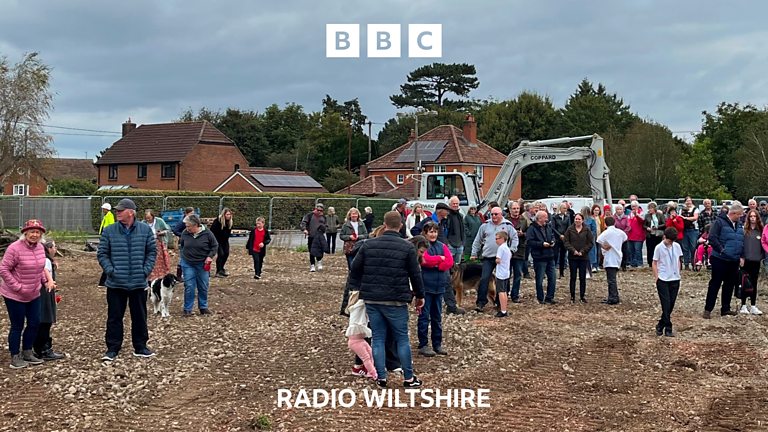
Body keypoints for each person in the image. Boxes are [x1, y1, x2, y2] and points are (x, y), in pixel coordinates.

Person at [350, 211, 425, 388]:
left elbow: (355, 268)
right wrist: (420, 296)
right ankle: (408, 377)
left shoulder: (369, 245)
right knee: (402, 339)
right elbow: (415, 275)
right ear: (400, 226)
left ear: (384, 224)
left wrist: (361, 286)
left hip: (373, 298)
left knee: (378, 337)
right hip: (396, 298)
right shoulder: (407, 247)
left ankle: (381, 377)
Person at [97, 199, 157, 361]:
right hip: (116, 283)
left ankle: (141, 346)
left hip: (138, 282)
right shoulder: (109, 231)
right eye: (117, 210)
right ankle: (112, 348)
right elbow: (102, 253)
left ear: (131, 212)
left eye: (120, 210)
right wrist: (110, 271)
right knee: (115, 316)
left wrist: (145, 271)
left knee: (140, 315)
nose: (117, 212)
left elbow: (152, 252)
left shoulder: (145, 230)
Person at [1, 220, 55, 368]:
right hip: (15, 295)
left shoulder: (39, 248)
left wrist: (45, 281)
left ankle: (27, 351)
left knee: (34, 323)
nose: (34, 235)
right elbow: (4, 269)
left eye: (38, 232)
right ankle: (15, 355)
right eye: (32, 231)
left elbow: (40, 268)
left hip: (33, 293)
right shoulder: (14, 249)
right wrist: (17, 287)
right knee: (17, 325)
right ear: (25, 233)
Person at [417, 221, 454, 356]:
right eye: (430, 231)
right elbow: (425, 260)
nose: (433, 234)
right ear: (425, 233)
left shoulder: (442, 246)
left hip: (439, 287)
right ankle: (423, 344)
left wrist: (437, 265)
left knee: (437, 317)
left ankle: (437, 344)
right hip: (426, 287)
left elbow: (449, 262)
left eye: (435, 231)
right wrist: (440, 259)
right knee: (424, 317)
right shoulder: (423, 246)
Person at [703, 202, 744, 319]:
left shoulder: (739, 225)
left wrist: (741, 255)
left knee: (729, 285)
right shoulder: (719, 222)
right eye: (739, 215)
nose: (740, 217)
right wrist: (721, 250)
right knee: (715, 284)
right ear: (733, 213)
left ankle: (725, 308)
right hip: (720, 259)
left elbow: (741, 240)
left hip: (734, 260)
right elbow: (712, 238)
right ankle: (708, 309)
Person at [471, 207, 517, 311]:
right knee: (484, 278)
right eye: (492, 214)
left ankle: (500, 302)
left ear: (501, 214)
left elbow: (514, 238)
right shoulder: (485, 225)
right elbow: (478, 240)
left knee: (503, 279)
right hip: (488, 256)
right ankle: (481, 302)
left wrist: (512, 250)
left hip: (503, 258)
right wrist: (474, 253)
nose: (494, 216)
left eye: (496, 214)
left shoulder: (507, 225)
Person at [179, 214, 218, 317]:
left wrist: (210, 256)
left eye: (188, 226)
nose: (186, 228)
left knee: (203, 285)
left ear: (196, 225)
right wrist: (182, 256)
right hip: (188, 263)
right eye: (186, 226)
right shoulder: (185, 233)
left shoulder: (207, 234)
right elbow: (181, 245)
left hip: (202, 263)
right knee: (189, 286)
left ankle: (203, 307)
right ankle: (187, 308)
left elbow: (215, 245)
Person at [33, 239, 65, 361]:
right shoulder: (45, 261)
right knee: (45, 320)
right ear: (49, 249)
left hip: (47, 292)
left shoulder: (48, 261)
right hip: (44, 293)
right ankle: (43, 349)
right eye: (54, 247)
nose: (56, 249)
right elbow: (44, 274)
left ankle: (39, 347)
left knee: (44, 320)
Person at [652, 227, 683, 337]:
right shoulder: (659, 248)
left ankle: (660, 325)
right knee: (666, 304)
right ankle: (668, 327)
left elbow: (678, 260)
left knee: (671, 304)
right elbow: (654, 262)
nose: (670, 242)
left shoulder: (677, 246)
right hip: (663, 279)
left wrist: (678, 272)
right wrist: (657, 277)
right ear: (665, 237)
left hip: (675, 278)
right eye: (669, 240)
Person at [526, 211, 558, 304]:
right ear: (539, 218)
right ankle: (540, 298)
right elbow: (529, 241)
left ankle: (550, 297)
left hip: (550, 256)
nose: (547, 219)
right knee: (539, 279)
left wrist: (552, 241)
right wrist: (541, 244)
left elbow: (552, 236)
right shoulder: (532, 229)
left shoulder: (548, 227)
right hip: (539, 257)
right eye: (545, 217)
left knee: (552, 278)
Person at [345, 290, 377, 380]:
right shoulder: (359, 305)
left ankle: (368, 370)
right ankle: (372, 373)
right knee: (366, 357)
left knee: (370, 353)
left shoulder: (354, 308)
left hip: (359, 340)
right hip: (356, 341)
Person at [564, 213, 594, 303]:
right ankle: (572, 296)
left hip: (583, 257)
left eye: (579, 219)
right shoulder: (570, 229)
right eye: (576, 219)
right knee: (573, 277)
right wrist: (573, 250)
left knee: (582, 277)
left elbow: (590, 243)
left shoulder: (587, 229)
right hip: (572, 256)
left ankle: (582, 296)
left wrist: (583, 251)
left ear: (582, 220)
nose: (577, 221)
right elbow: (566, 242)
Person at [597, 216, 627, 305]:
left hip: (610, 257)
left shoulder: (606, 233)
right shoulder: (620, 232)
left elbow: (598, 240)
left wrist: (604, 246)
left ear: (605, 224)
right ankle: (613, 296)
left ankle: (613, 297)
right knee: (612, 278)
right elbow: (625, 238)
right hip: (618, 256)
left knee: (611, 280)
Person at [739, 209, 764, 315]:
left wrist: (762, 256)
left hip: (756, 260)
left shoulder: (761, 231)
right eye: (751, 216)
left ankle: (753, 305)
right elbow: (740, 244)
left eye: (754, 216)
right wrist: (741, 257)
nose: (753, 218)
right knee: (745, 283)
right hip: (746, 260)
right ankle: (743, 305)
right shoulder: (744, 230)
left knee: (754, 283)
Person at [508, 201, 529, 303]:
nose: (516, 210)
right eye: (514, 208)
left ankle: (515, 295)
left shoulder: (524, 220)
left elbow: (528, 234)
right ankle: (505, 292)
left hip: (520, 249)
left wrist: (523, 234)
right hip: (507, 249)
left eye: (517, 208)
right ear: (510, 209)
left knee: (518, 274)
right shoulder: (505, 219)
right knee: (506, 273)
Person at [143, 209, 172, 281]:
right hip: (147, 244)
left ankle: (161, 276)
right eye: (146, 218)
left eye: (149, 218)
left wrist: (162, 232)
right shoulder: (143, 223)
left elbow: (168, 230)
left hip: (158, 243)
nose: (148, 219)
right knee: (149, 260)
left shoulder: (159, 221)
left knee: (159, 261)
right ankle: (149, 276)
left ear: (153, 216)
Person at [301, 203, 327, 272]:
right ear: (315, 209)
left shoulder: (323, 217)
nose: (319, 212)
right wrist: (304, 229)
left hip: (320, 237)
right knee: (312, 251)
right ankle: (312, 265)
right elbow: (304, 223)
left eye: (321, 210)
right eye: (318, 210)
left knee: (320, 250)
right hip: (312, 236)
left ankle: (319, 261)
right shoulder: (309, 215)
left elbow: (326, 225)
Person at [172, 207, 196, 281]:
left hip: (191, 242)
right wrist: (183, 235)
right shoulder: (182, 222)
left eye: (193, 213)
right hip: (184, 242)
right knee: (183, 258)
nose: (192, 214)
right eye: (191, 213)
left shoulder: (193, 221)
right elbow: (175, 230)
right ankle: (179, 275)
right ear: (186, 213)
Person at [210, 207, 233, 277]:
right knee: (221, 254)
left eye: (229, 214)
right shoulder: (217, 221)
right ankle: (218, 270)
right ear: (224, 214)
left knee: (226, 253)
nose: (228, 216)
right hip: (217, 240)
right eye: (227, 214)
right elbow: (212, 231)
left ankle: (222, 268)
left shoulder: (230, 222)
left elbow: (228, 232)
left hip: (225, 240)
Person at [494, 231, 512, 317]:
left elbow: (498, 259)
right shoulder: (507, 248)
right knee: (504, 291)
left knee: (501, 292)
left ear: (502, 239)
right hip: (506, 272)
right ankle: (504, 308)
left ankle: (503, 310)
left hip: (500, 273)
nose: (496, 241)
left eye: (497, 239)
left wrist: (496, 260)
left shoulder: (501, 248)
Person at [551, 203, 572, 278]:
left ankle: (561, 272)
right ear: (560, 208)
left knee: (563, 255)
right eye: (564, 208)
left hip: (564, 238)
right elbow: (553, 228)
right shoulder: (554, 217)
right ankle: (553, 270)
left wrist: (565, 235)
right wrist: (559, 235)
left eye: (566, 208)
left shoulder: (567, 217)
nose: (565, 210)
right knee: (555, 254)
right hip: (557, 238)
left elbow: (569, 227)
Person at [98, 203, 115, 287]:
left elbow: (110, 226)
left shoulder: (110, 216)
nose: (102, 210)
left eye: (104, 208)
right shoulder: (107, 215)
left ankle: (104, 280)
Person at [680, 197, 700, 270]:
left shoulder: (695, 209)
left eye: (690, 201)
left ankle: (693, 263)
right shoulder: (682, 210)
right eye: (687, 201)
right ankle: (686, 264)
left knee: (693, 247)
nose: (688, 202)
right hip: (685, 230)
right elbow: (680, 217)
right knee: (685, 248)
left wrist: (685, 218)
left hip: (693, 230)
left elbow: (695, 218)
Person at [644, 202, 666, 268]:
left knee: (658, 248)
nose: (650, 210)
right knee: (650, 249)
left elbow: (664, 224)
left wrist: (657, 227)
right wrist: (647, 228)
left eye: (651, 208)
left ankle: (659, 262)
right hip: (650, 234)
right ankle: (650, 262)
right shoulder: (647, 216)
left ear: (654, 208)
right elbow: (644, 225)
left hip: (658, 234)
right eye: (649, 208)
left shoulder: (660, 215)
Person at [627, 201, 645, 268]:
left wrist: (637, 215)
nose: (633, 208)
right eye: (632, 206)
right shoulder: (630, 213)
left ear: (637, 206)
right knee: (631, 250)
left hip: (639, 235)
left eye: (634, 206)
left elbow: (642, 221)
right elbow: (628, 222)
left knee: (638, 250)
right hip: (630, 235)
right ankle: (633, 263)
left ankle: (639, 263)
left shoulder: (641, 213)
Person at [613, 204, 631, 272]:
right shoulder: (613, 217)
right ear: (616, 210)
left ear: (623, 210)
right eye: (618, 209)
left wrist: (623, 233)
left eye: (620, 209)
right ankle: (617, 265)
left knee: (625, 251)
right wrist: (617, 233)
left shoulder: (626, 217)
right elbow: (613, 226)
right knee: (617, 251)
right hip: (616, 237)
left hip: (624, 237)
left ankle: (624, 265)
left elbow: (628, 226)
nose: (619, 211)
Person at [590, 204, 606, 272]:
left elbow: (603, 227)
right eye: (595, 210)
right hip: (593, 236)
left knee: (599, 252)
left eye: (598, 210)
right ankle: (593, 265)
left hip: (600, 236)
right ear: (593, 210)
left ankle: (597, 265)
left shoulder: (601, 218)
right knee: (594, 251)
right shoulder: (590, 218)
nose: (596, 211)